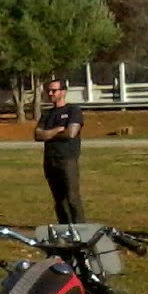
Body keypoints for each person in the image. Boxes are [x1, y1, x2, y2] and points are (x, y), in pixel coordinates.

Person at [34, 78, 85, 223]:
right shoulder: (47, 114)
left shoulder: (73, 110)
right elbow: (38, 135)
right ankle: (64, 229)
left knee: (72, 197)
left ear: (63, 92)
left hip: (67, 159)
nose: (50, 93)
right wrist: (57, 130)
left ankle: (81, 229)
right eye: (48, 91)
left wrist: (48, 134)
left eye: (54, 90)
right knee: (58, 199)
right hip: (50, 160)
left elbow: (71, 133)